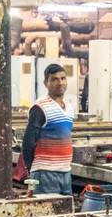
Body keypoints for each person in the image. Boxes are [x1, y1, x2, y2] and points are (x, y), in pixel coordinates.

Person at [21, 63, 73, 196]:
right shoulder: (40, 108)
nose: (60, 83)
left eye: (62, 78)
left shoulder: (69, 107)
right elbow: (28, 143)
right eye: (54, 79)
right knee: (48, 214)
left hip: (65, 172)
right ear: (46, 83)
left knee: (66, 214)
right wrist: (31, 180)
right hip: (44, 173)